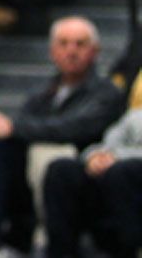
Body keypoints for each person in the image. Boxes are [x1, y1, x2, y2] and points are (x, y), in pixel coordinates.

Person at [0, 16, 123, 257]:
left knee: (10, 147)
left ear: (95, 51)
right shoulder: (42, 94)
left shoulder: (106, 92)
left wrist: (11, 128)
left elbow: (72, 128)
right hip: (24, 178)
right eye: (64, 43)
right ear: (52, 51)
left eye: (80, 44)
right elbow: (21, 127)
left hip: (70, 182)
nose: (71, 51)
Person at [43, 105, 142, 258]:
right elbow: (108, 142)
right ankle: (61, 252)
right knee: (62, 169)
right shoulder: (134, 116)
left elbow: (117, 156)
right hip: (112, 175)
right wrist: (94, 156)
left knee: (123, 172)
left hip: (129, 180)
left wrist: (117, 157)